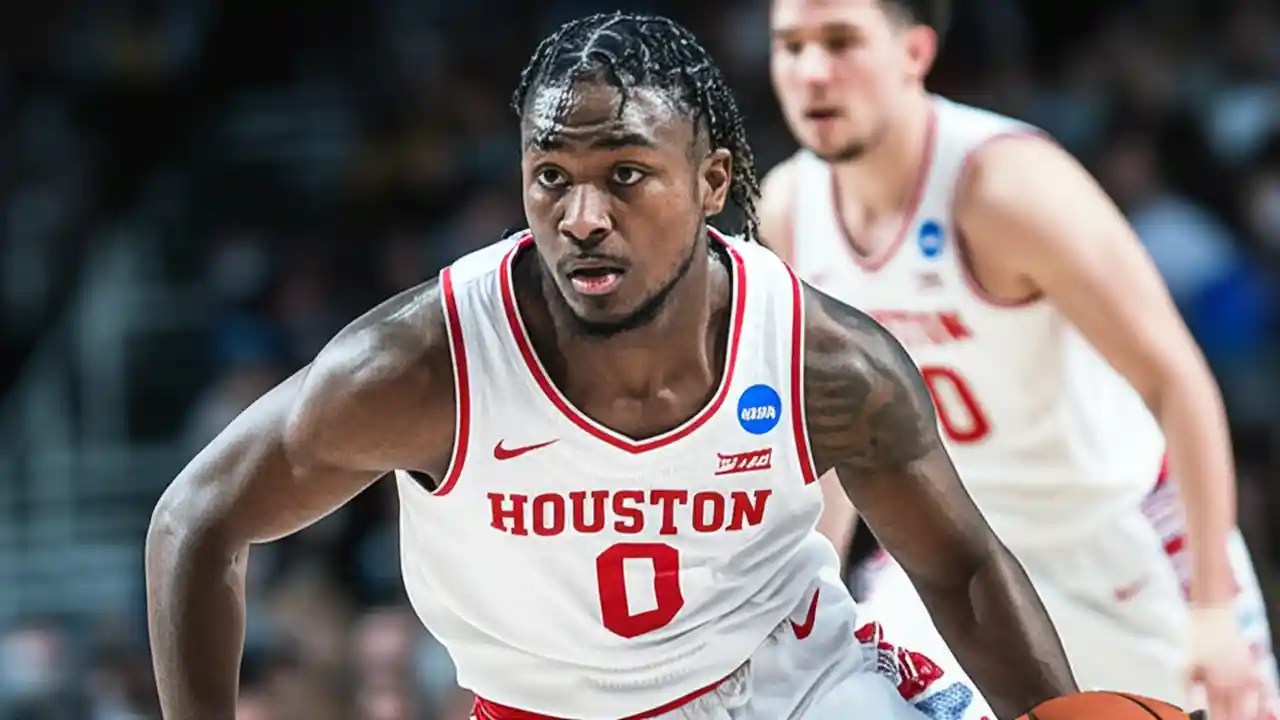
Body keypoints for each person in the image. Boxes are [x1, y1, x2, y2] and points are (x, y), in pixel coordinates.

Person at [145, 13, 1078, 720]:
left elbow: (961, 571)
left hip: (793, 684)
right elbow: (195, 521)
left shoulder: (817, 357)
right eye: (552, 174)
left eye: (626, 173)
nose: (582, 216)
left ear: (713, 182)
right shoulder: (423, 364)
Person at [760, 1, 1280, 719]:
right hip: (954, 553)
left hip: (1116, 541)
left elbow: (1176, 378)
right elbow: (838, 428)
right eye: (790, 47)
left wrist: (1214, 608)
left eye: (840, 42)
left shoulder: (1006, 186)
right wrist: (803, 601)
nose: (812, 71)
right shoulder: (791, 206)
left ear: (914, 51)